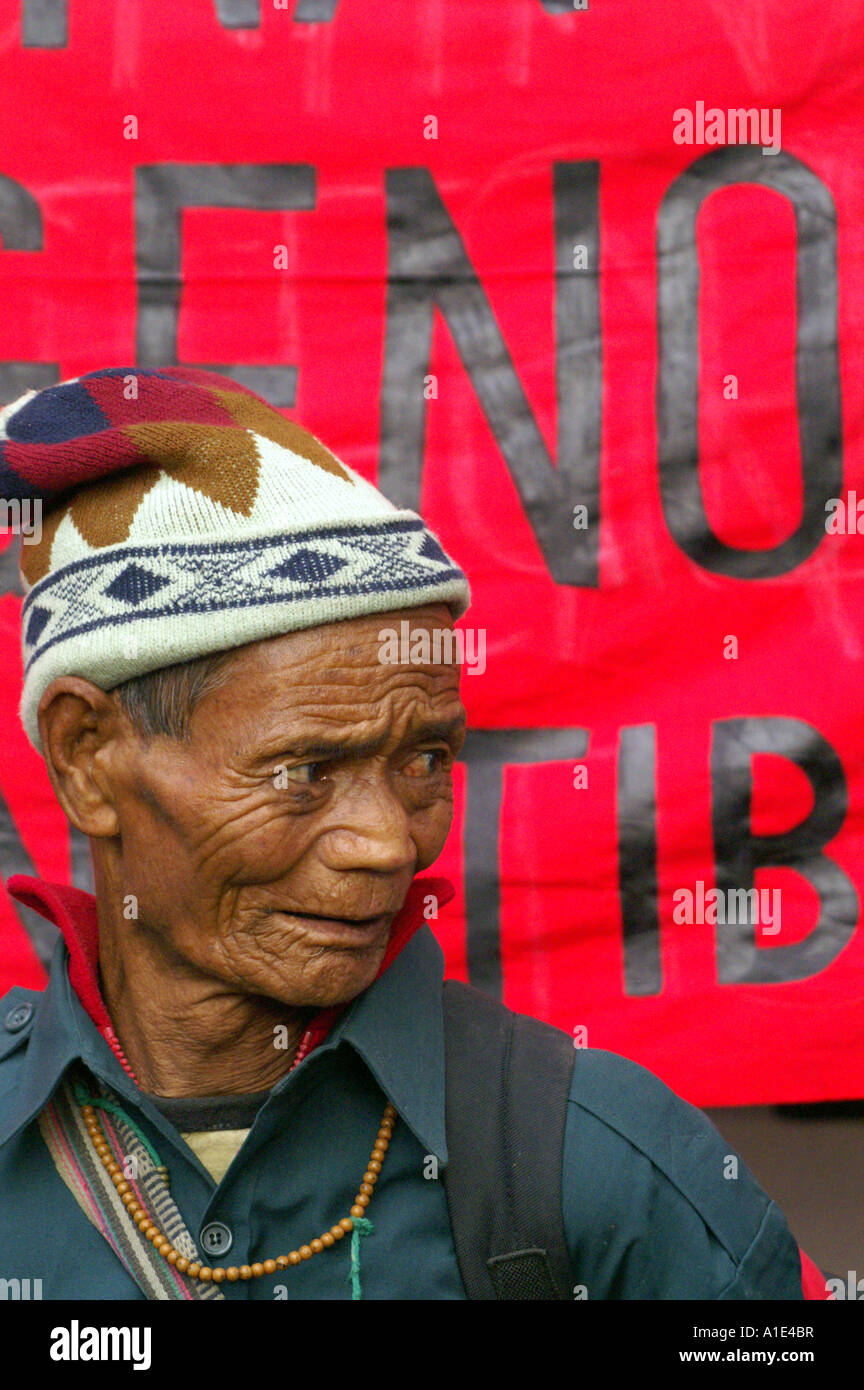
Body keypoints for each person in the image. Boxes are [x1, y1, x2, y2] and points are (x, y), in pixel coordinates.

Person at [0, 367, 828, 1299]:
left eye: (425, 761)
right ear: (85, 755)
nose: (389, 843)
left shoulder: (598, 1161)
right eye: (304, 771)